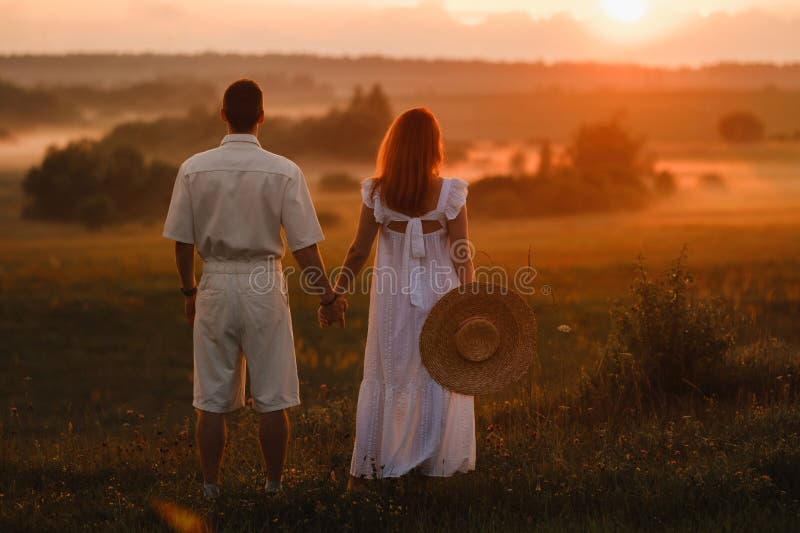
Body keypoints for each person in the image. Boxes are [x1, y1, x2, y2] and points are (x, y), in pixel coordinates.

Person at [163, 79, 347, 500]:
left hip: (214, 280)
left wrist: (189, 291)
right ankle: (273, 486)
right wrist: (328, 298)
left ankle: (210, 488)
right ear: (262, 117)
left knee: (210, 397)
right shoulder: (284, 170)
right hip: (264, 281)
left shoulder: (193, 168)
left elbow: (182, 240)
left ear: (222, 114)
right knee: (273, 394)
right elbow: (304, 247)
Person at [326, 107, 476, 489]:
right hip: (441, 298)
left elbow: (358, 252)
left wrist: (335, 293)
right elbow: (461, 253)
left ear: (393, 146)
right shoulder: (449, 193)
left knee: (390, 374)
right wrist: (471, 305)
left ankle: (379, 466)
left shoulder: (377, 191)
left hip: (391, 301)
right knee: (435, 375)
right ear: (433, 147)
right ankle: (432, 467)